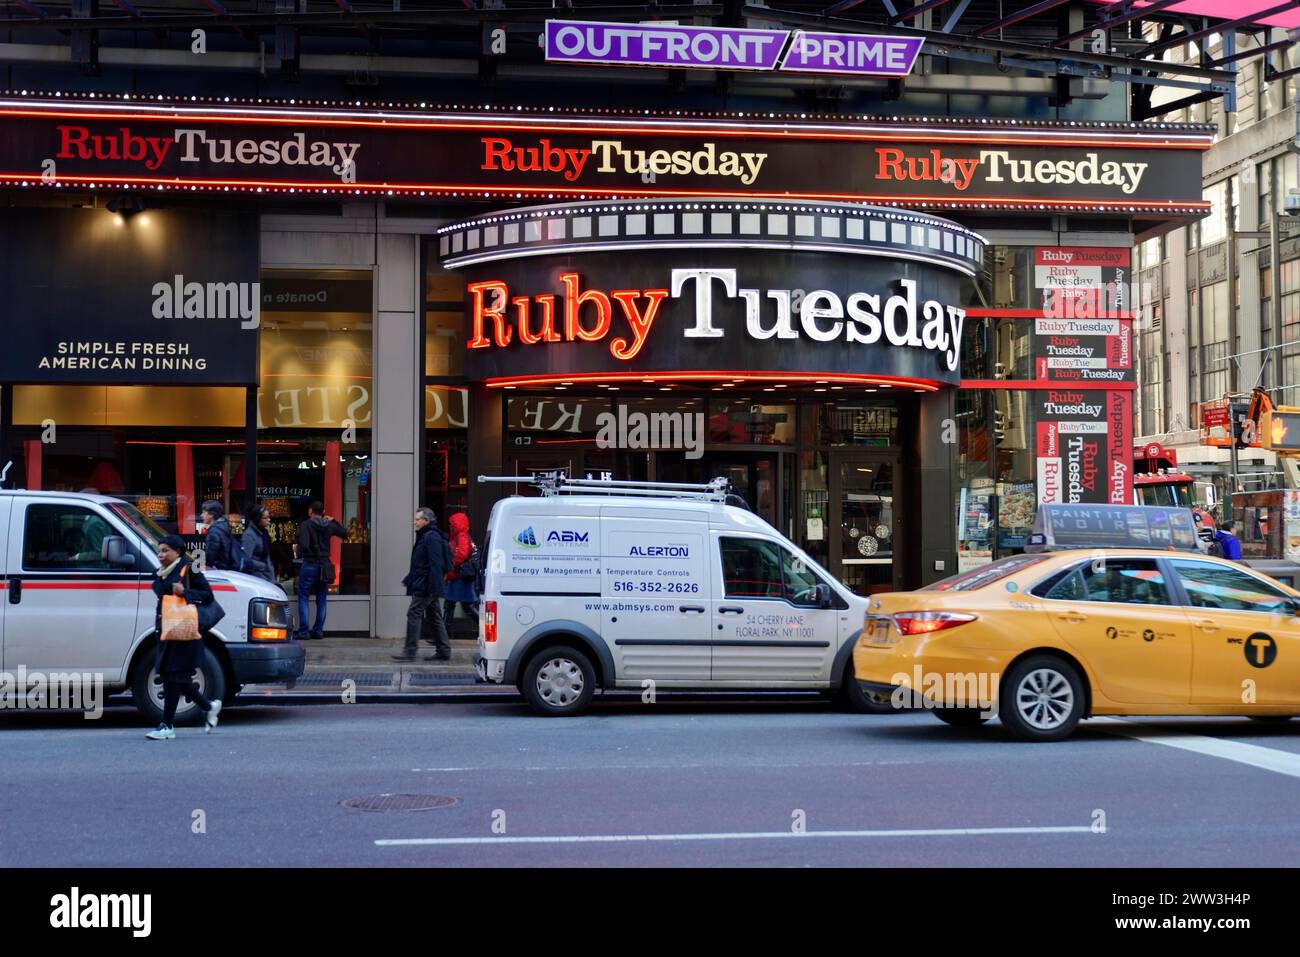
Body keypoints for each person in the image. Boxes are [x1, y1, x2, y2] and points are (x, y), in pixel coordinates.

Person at [146, 535, 221, 740]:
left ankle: (167, 726)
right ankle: (209, 706)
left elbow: (208, 595)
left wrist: (185, 592)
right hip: (167, 630)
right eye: (159, 551)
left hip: (184, 632)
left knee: (172, 677)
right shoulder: (161, 573)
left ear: (177, 552)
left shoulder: (190, 569)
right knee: (175, 677)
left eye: (165, 550)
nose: (161, 555)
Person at [392, 507, 453, 662]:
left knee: (414, 613)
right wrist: (411, 578)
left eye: (418, 519)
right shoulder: (426, 536)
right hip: (425, 583)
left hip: (426, 586)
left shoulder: (431, 537)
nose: (415, 522)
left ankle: (410, 651)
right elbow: (422, 563)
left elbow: (435, 563)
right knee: (434, 617)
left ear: (427, 521)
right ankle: (444, 650)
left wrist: (433, 588)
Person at [295, 501, 345, 640]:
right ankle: (318, 631)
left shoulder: (306, 524)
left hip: (310, 564)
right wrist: (334, 520)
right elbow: (344, 533)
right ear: (323, 511)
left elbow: (304, 545)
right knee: (321, 598)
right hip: (324, 565)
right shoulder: (328, 524)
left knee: (303, 595)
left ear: (311, 511)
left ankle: (304, 631)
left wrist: (303, 553)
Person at [443, 511, 480, 631]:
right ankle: (443, 635)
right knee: (456, 605)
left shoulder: (461, 536)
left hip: (459, 576)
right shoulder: (459, 536)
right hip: (458, 576)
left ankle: (443, 635)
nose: (450, 526)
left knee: (458, 605)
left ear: (456, 525)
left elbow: (462, 553)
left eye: (451, 524)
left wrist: (450, 564)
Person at [241, 504, 276, 584]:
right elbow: (246, 559)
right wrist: (263, 566)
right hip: (256, 578)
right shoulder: (249, 535)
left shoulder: (264, 533)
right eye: (265, 518)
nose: (269, 520)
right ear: (257, 519)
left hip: (266, 576)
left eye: (269, 517)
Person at [202, 501, 238, 572]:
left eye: (204, 512)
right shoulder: (224, 526)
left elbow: (210, 556)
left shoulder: (214, 531)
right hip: (227, 568)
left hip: (218, 569)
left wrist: (206, 567)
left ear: (211, 515)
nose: (201, 515)